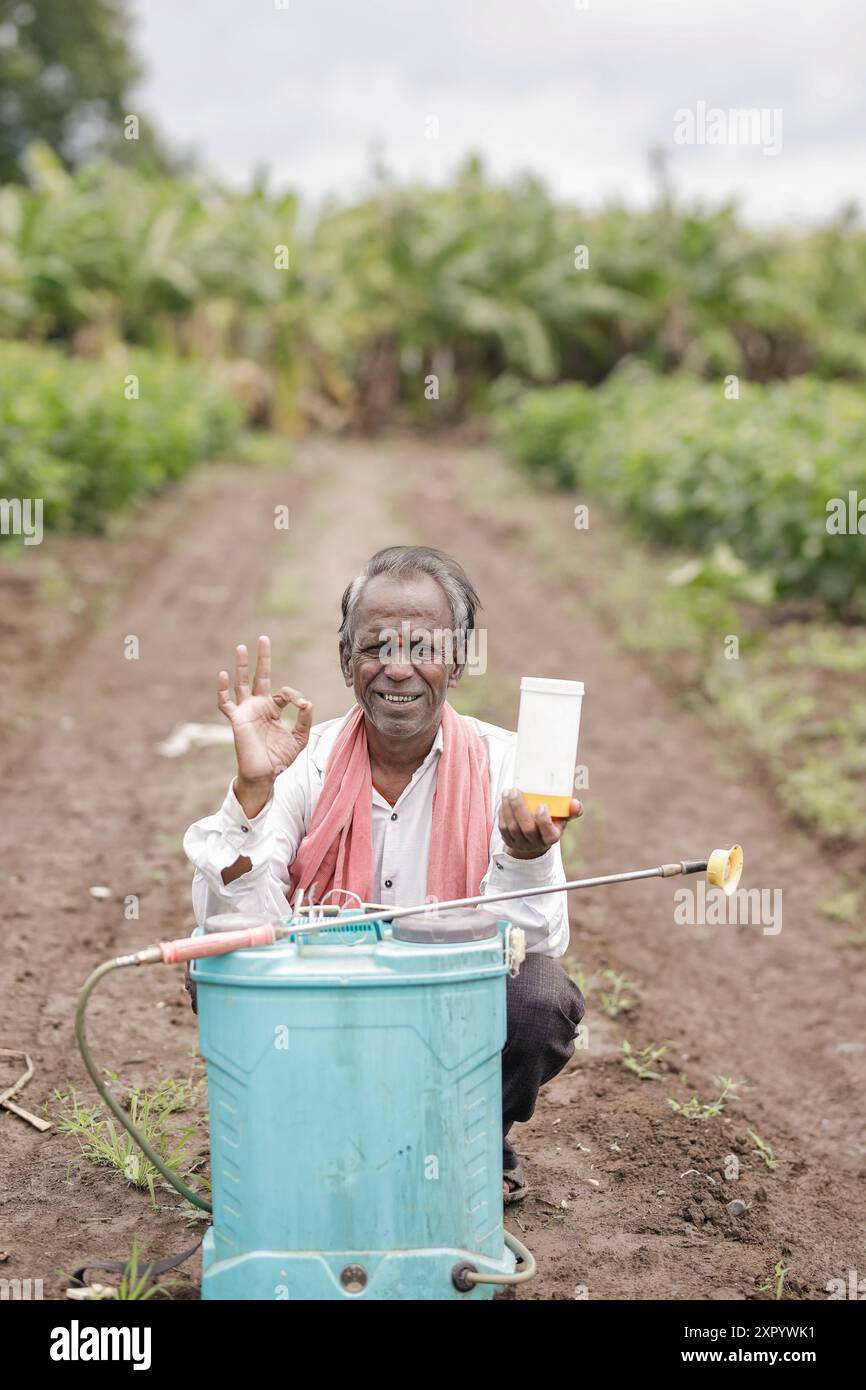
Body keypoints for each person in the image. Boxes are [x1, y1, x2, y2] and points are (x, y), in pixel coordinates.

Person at [184, 545, 586, 1203]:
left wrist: (524, 859)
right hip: (323, 1011)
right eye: (375, 648)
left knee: (537, 993)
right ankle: (307, 1128)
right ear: (347, 662)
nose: (398, 670)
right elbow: (230, 920)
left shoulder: (507, 766)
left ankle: (467, 1136)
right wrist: (252, 793)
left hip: (446, 1014)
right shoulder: (302, 765)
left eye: (422, 647)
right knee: (220, 962)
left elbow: (534, 945)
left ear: (455, 661)